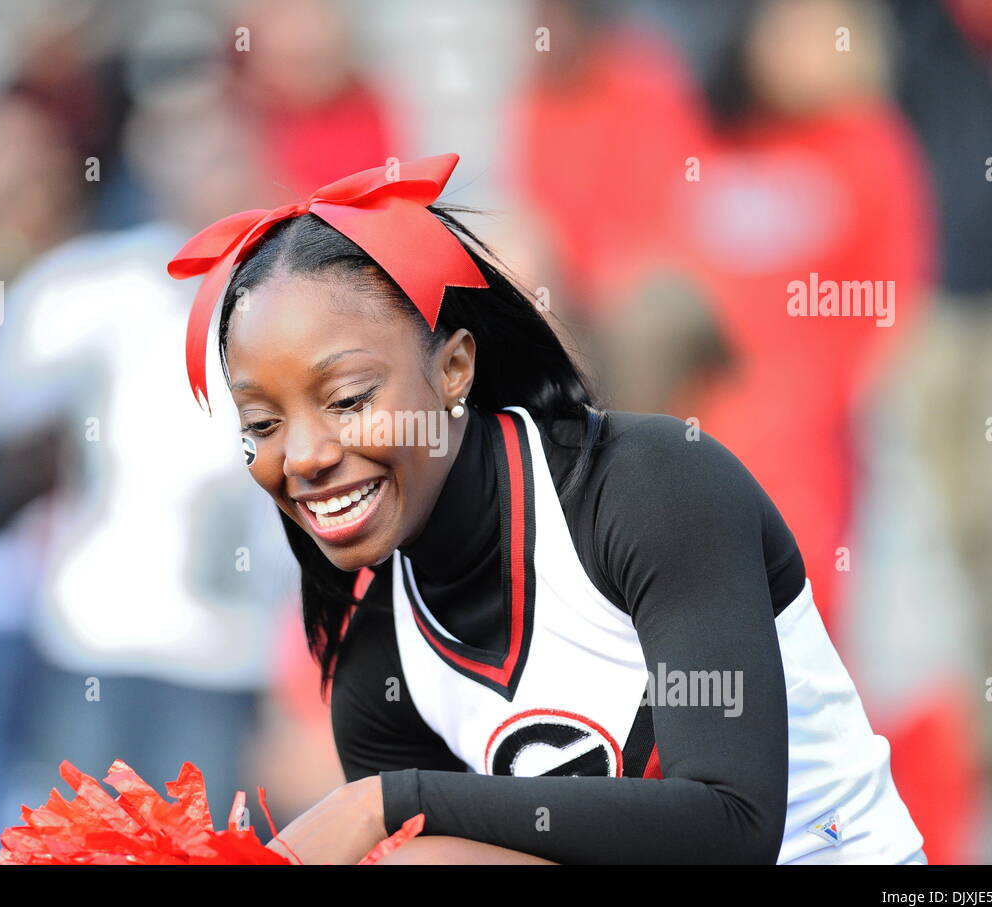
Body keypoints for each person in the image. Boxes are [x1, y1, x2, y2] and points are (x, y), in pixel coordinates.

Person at [166, 154, 926, 865]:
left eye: (347, 399)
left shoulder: (650, 485)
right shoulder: (377, 657)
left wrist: (391, 802)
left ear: (455, 366)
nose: (301, 456)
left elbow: (733, 824)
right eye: (262, 424)